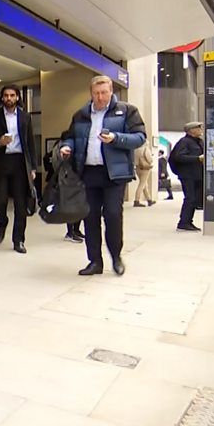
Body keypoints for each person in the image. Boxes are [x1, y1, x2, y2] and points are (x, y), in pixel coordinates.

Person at [60, 75, 146, 276]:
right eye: (96, 93)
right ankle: (95, 262)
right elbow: (71, 137)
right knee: (89, 218)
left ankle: (116, 257)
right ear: (91, 93)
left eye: (104, 93)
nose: (100, 97)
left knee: (113, 215)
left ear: (111, 91)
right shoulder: (80, 114)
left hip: (114, 174)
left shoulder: (126, 111)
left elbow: (140, 137)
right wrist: (67, 147)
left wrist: (116, 138)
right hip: (88, 173)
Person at [0, 84, 37, 254]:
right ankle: (2, 220)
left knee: (21, 204)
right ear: (2, 98)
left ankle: (18, 240)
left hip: (20, 163)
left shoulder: (25, 117)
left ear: (18, 97)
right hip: (0, 162)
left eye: (12, 95)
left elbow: (30, 143)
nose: (9, 98)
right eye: (6, 95)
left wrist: (33, 167)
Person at [170, 121, 205, 232]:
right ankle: (183, 222)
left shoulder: (199, 142)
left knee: (195, 199)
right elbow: (178, 157)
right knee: (190, 198)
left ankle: (188, 221)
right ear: (191, 131)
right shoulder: (184, 142)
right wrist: (197, 158)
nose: (201, 130)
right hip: (188, 175)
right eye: (198, 128)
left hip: (197, 175)